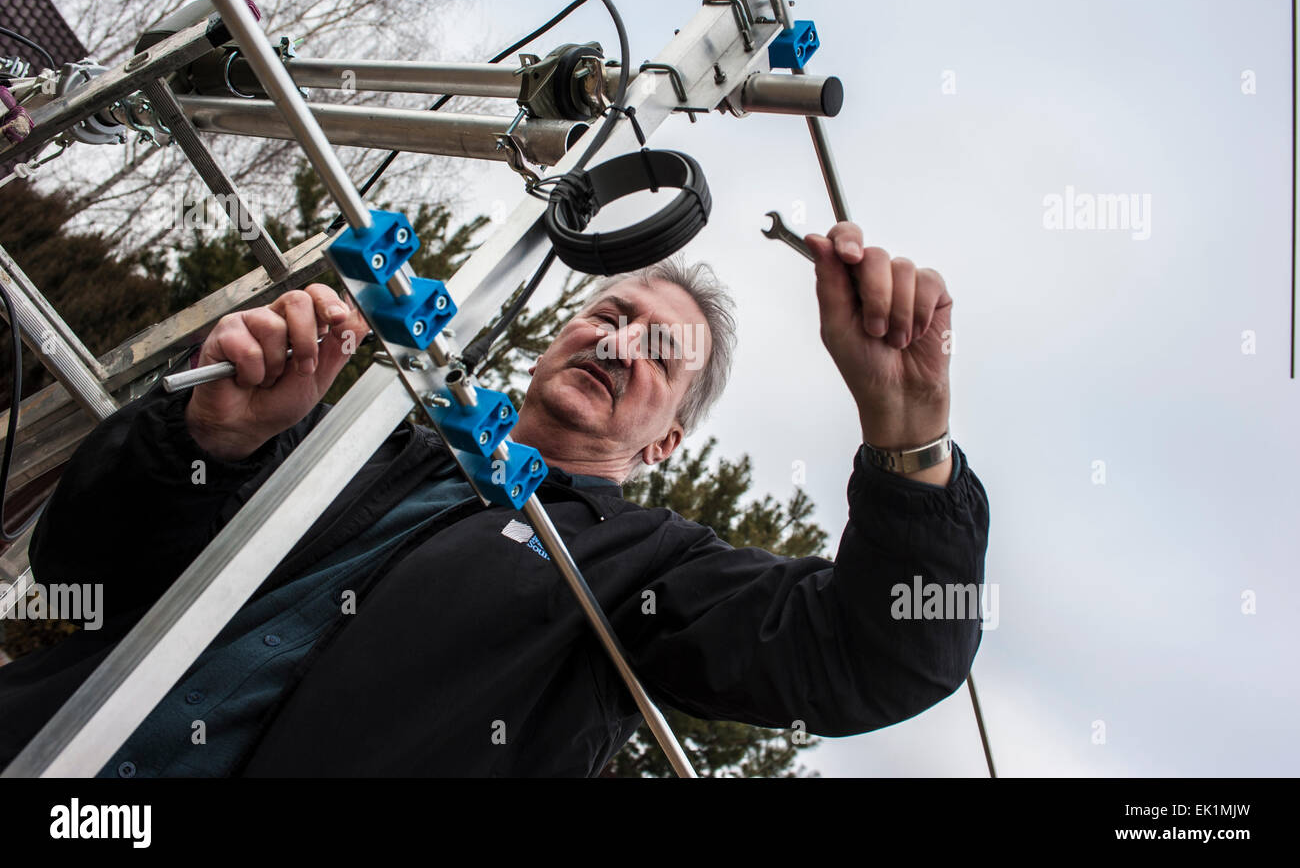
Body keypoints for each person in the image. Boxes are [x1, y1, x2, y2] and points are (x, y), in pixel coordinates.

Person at [0, 221, 990, 777]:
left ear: (665, 442)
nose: (618, 341)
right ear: (556, 334)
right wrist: (209, 438)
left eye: (659, 351)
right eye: (610, 312)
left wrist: (909, 439)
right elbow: (79, 566)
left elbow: (879, 653)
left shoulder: (646, 567)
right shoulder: (361, 438)